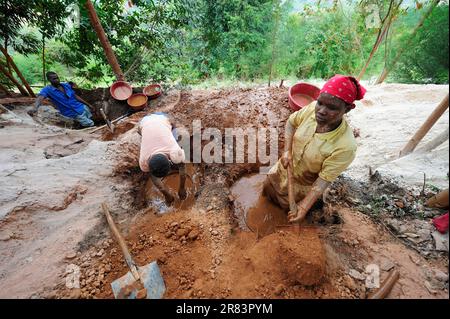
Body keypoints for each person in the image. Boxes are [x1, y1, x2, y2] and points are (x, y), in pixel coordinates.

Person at [264, 74, 366, 223]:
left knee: (282, 215)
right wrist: (287, 151)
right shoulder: (312, 109)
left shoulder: (345, 146)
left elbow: (323, 181)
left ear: (347, 109)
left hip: (299, 190)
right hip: (279, 172)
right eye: (320, 103)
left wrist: (304, 208)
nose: (322, 111)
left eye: (332, 108)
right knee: (267, 192)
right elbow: (291, 123)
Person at [138, 112, 187, 205]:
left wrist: (182, 188)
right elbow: (154, 178)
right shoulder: (143, 162)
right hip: (143, 122)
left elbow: (183, 168)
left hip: (163, 118)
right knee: (142, 131)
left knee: (173, 130)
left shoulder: (175, 151)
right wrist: (166, 194)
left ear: (169, 160)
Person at [27, 72, 95, 127]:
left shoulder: (65, 85)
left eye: (57, 78)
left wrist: (88, 104)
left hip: (82, 108)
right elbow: (40, 98)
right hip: (73, 113)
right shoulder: (48, 90)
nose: (57, 80)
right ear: (49, 80)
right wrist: (35, 108)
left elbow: (75, 96)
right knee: (90, 125)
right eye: (54, 79)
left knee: (89, 119)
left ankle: (79, 126)